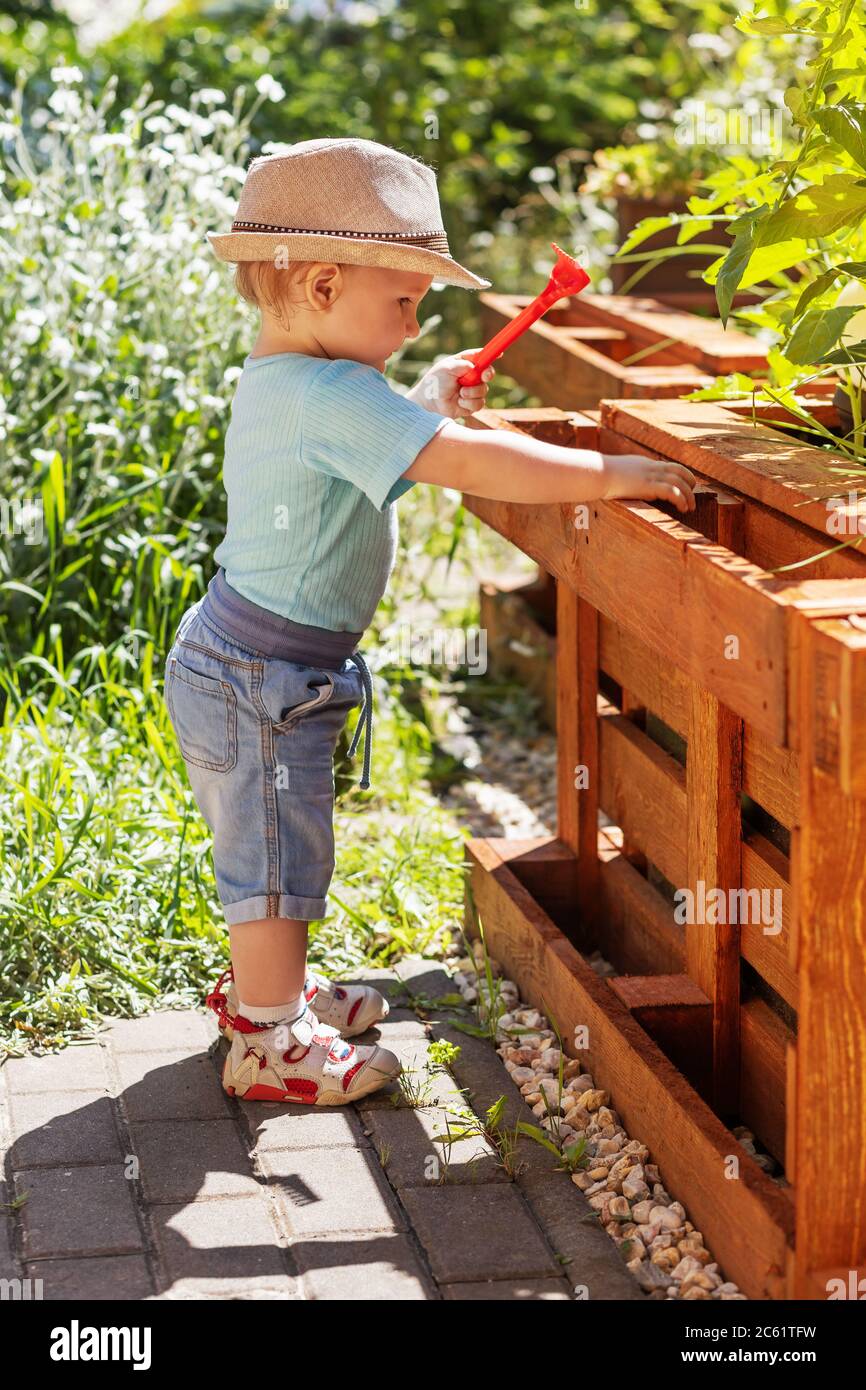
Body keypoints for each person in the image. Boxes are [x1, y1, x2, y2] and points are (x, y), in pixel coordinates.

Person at [164, 137, 696, 1107]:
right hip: (262, 680)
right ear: (323, 284)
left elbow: (370, 460)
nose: (414, 325)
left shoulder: (295, 380)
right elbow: (473, 464)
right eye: (404, 302)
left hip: (250, 663)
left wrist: (419, 404)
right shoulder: (332, 392)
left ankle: (267, 995)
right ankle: (269, 1043)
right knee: (275, 863)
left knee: (280, 848)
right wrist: (616, 474)